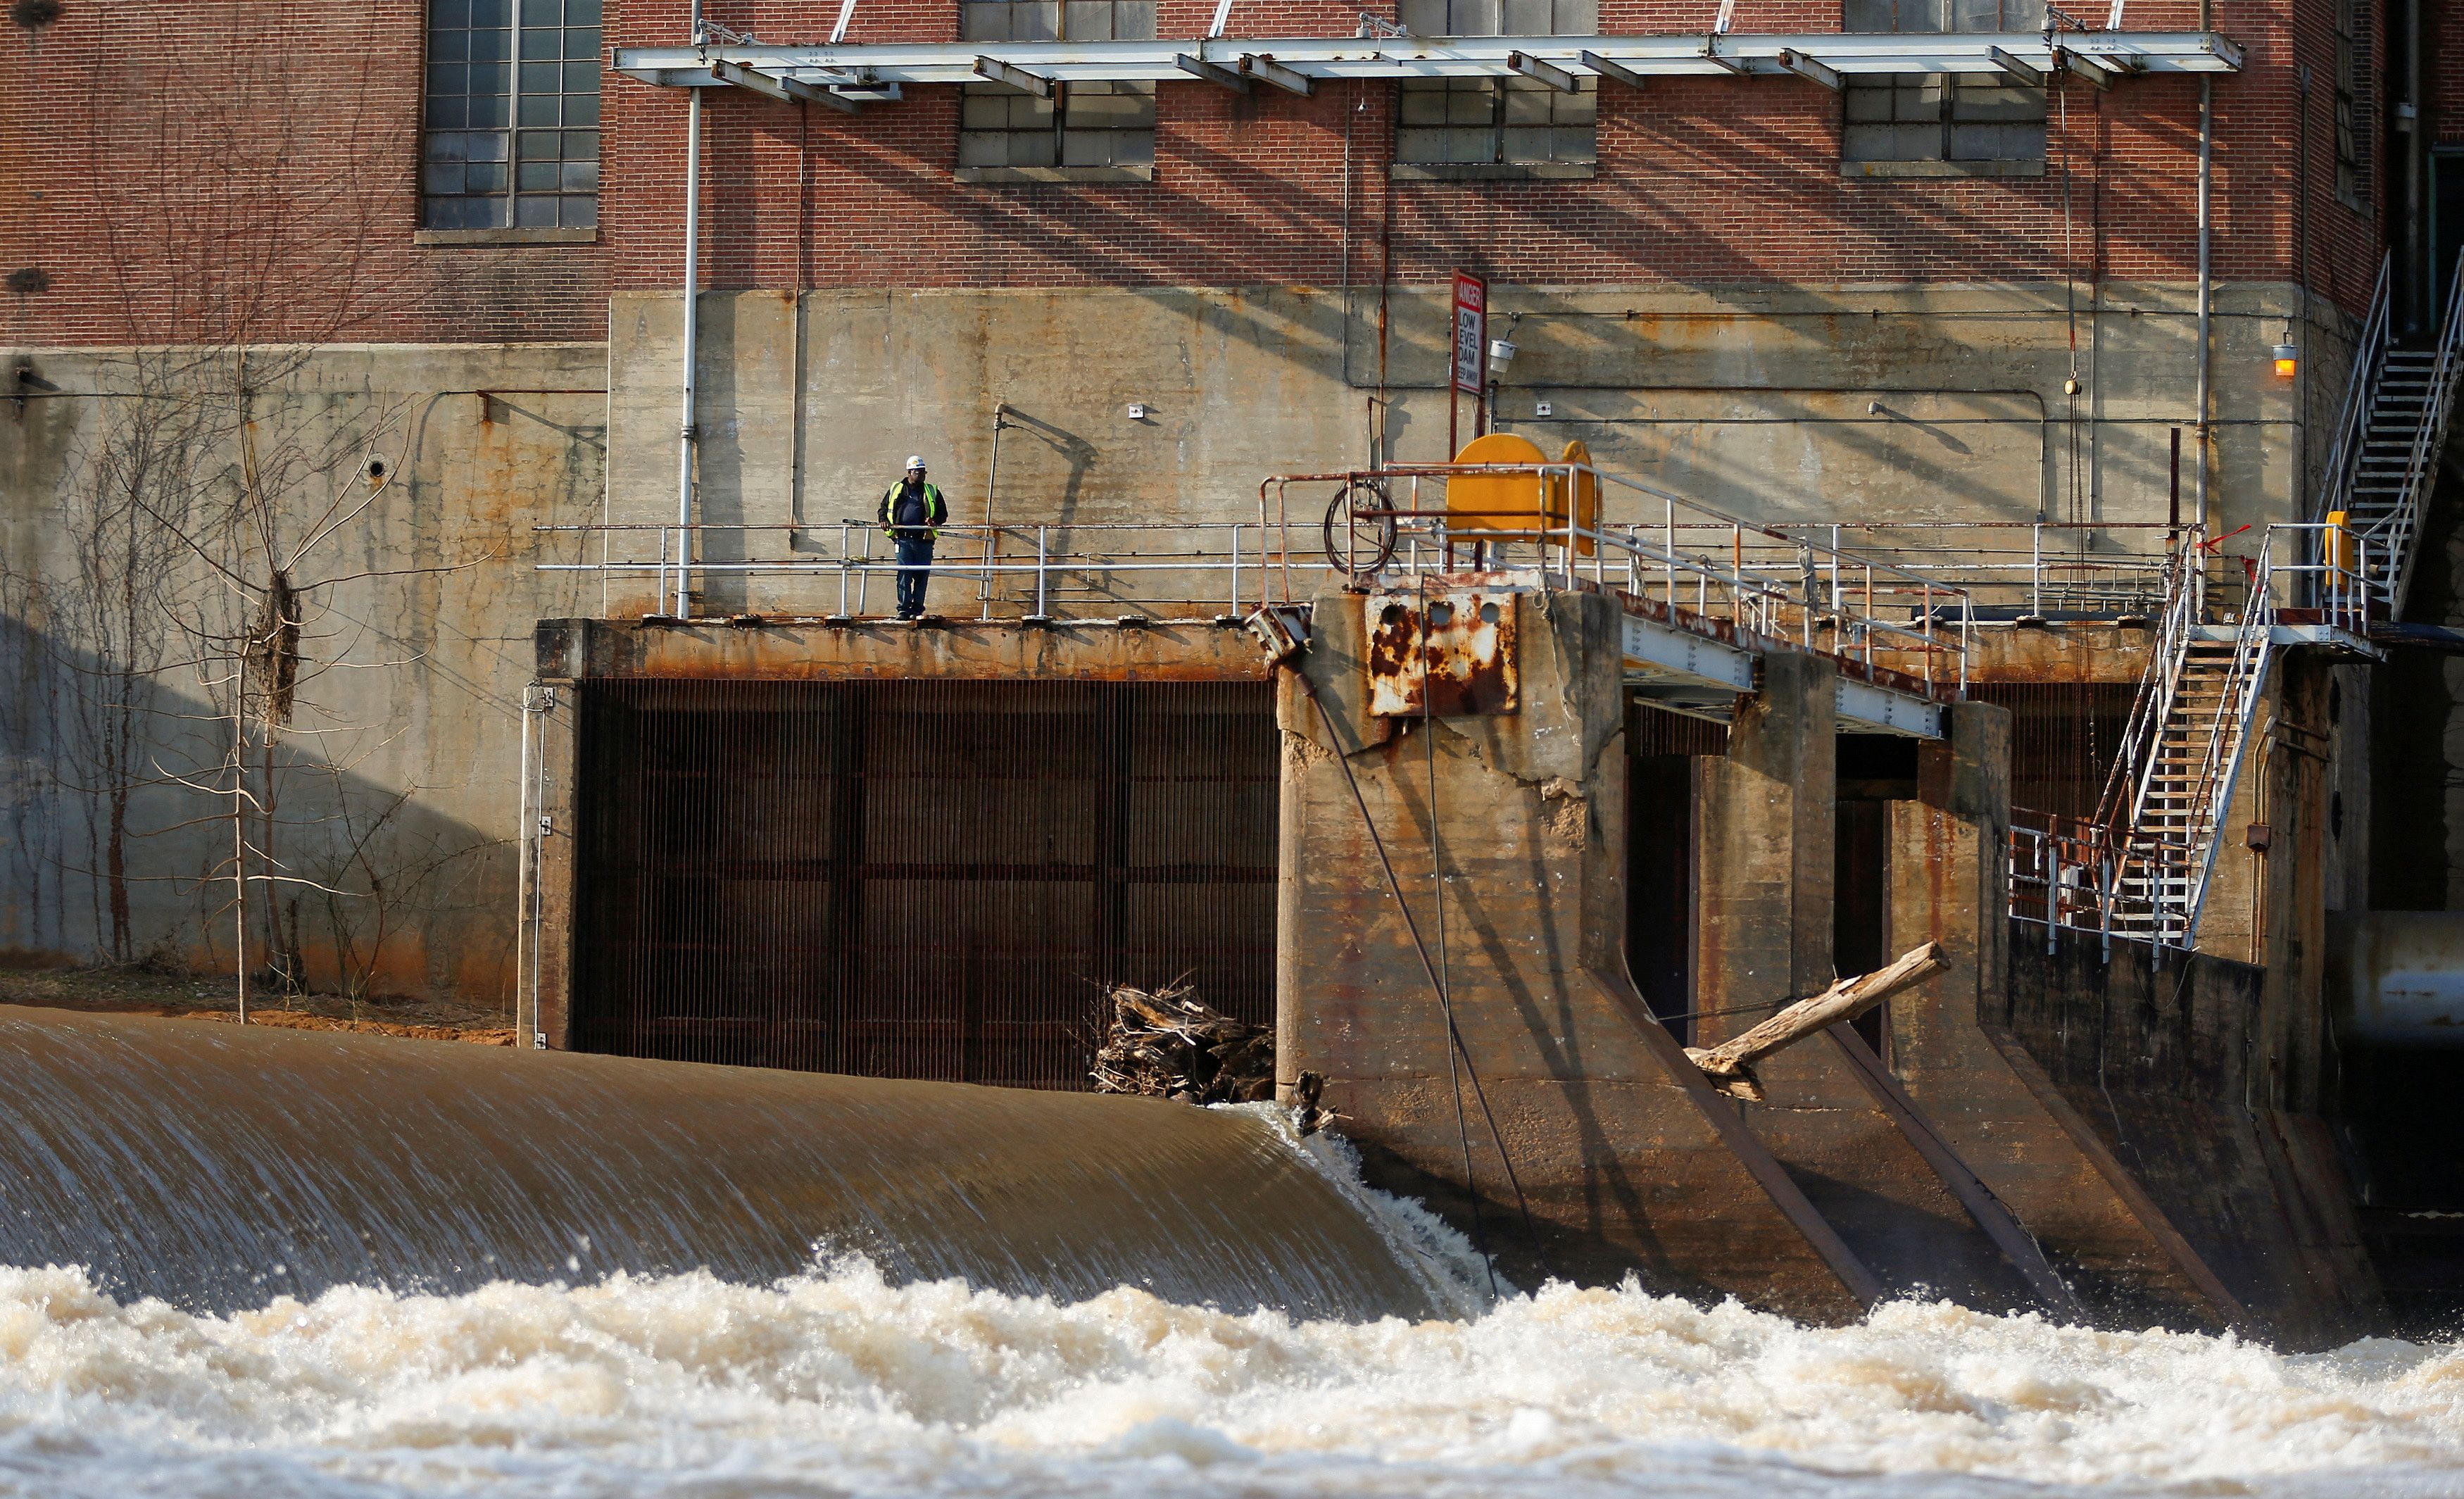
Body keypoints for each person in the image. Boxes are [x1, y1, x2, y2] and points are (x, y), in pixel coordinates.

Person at [876, 456, 948, 620]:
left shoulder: (932, 490)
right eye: (918, 472)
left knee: (921, 576)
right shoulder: (897, 489)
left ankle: (917, 610)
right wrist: (883, 520)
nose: (922, 475)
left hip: (924, 540)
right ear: (910, 472)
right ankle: (903, 609)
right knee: (904, 574)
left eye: (924, 472)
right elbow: (883, 507)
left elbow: (943, 514)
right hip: (903, 539)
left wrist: (934, 521)